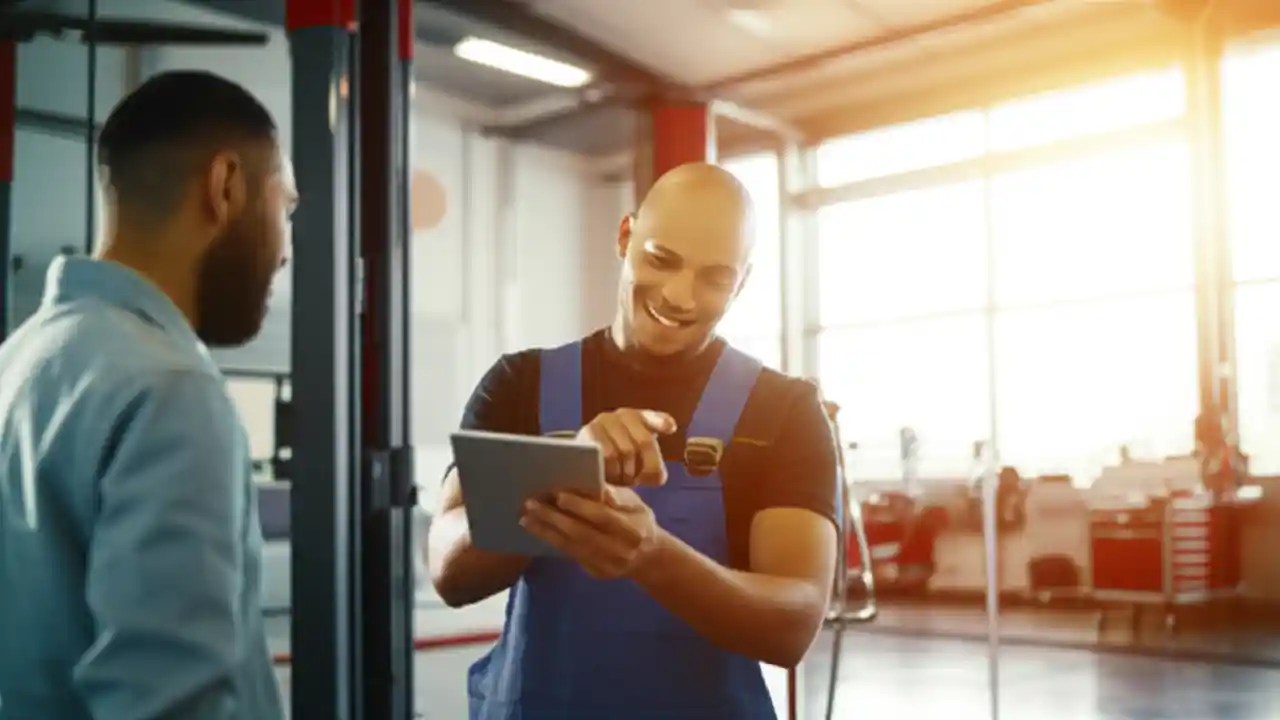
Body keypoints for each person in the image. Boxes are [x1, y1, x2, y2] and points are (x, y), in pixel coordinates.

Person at [429, 162, 839, 719]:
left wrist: (652, 556)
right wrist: (561, 471)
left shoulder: (783, 412)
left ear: (742, 280)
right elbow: (449, 568)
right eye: (661, 259)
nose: (679, 296)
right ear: (626, 236)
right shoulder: (520, 386)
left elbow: (793, 626)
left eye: (715, 277)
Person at [0, 71, 295, 719]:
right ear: (226, 185)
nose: (284, 252)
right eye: (286, 208)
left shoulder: (18, 363)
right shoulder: (171, 391)